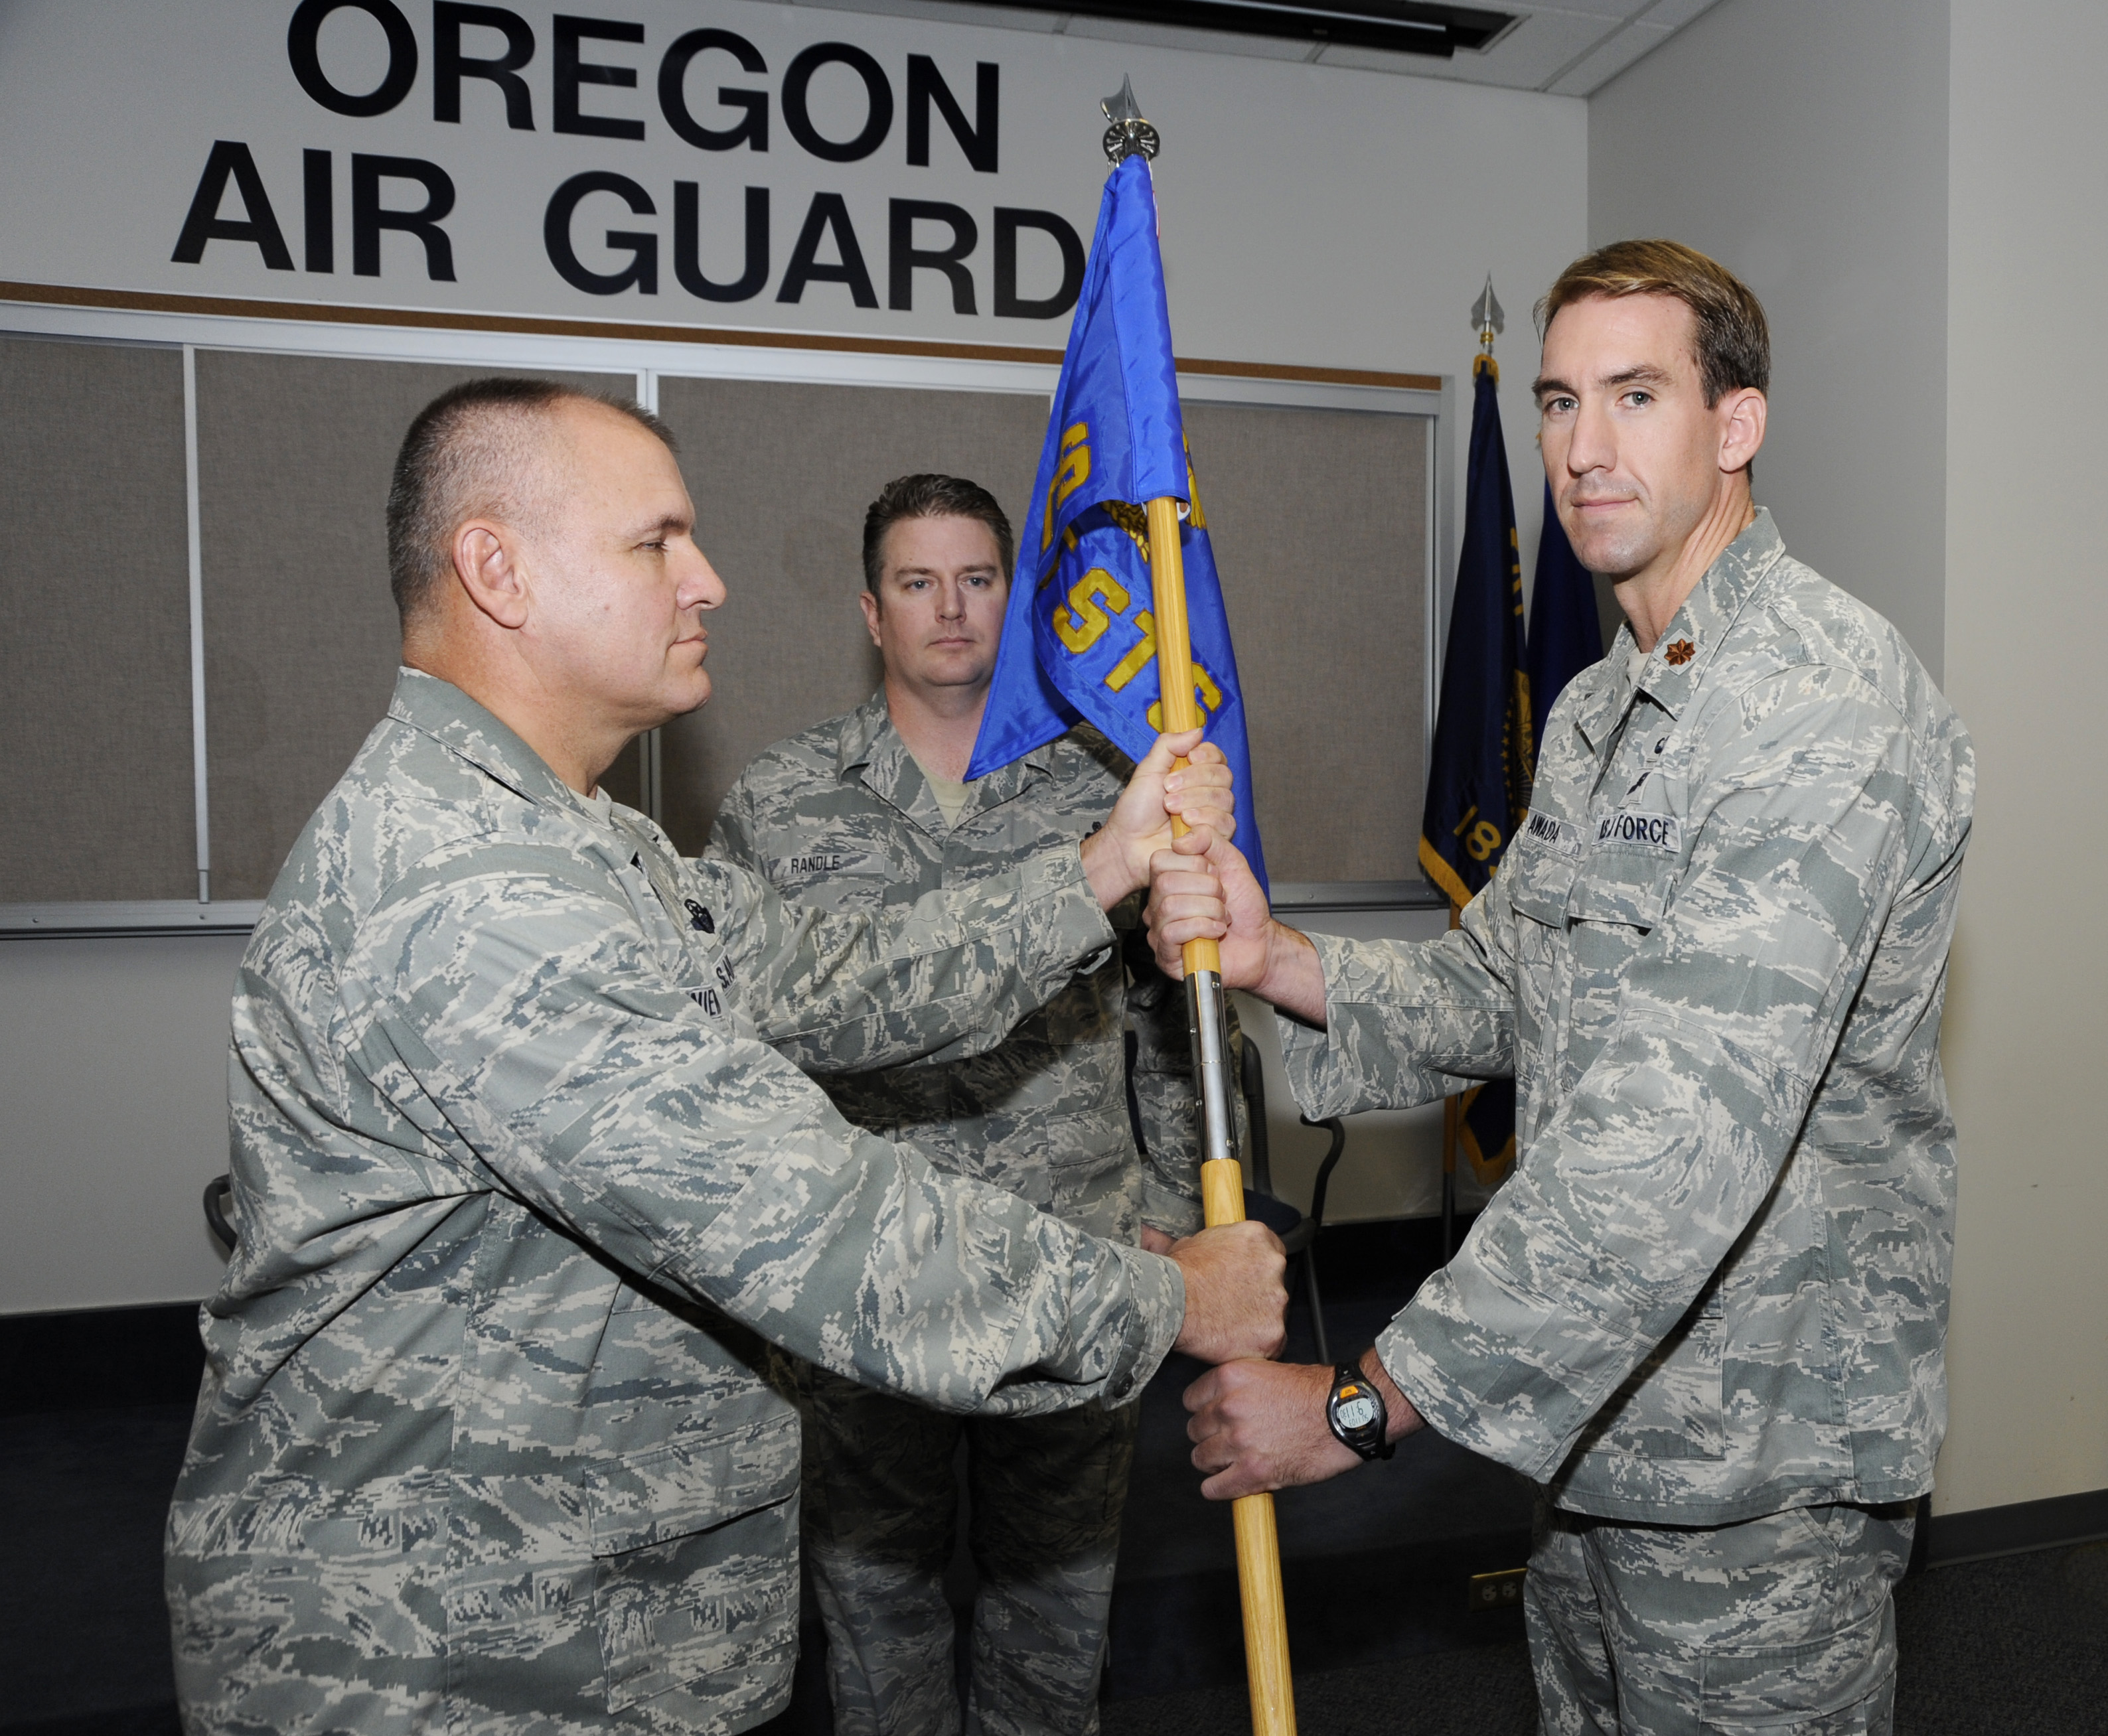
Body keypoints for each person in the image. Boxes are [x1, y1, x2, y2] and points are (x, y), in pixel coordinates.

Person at [164, 378, 1286, 1736]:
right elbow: (811, 1219)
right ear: (495, 569)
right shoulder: (476, 897)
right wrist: (1168, 1304)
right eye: (656, 542)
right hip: (450, 1659)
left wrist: (1100, 864)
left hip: (575, 1622)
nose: (708, 581)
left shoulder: (590, 843)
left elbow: (830, 973)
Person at [1152, 242, 1973, 1734]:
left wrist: (1361, 1405)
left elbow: (1673, 1147)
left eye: (1635, 395)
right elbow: (1500, 986)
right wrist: (1280, 961)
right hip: (1597, 1414)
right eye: (1556, 400)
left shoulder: (1818, 699)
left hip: (1755, 1464)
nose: (1582, 449)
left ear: (1735, 426)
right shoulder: (1605, 702)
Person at [710, 473, 1228, 1736]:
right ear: (872, 612)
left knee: (1055, 1625)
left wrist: (1173, 1213)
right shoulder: (780, 803)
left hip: (1077, 1261)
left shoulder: (1104, 793)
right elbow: (742, 1051)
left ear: (1019, 597)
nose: (951, 609)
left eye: (979, 579)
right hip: (861, 1284)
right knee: (880, 1628)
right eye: (916, 582)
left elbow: (1171, 1015)